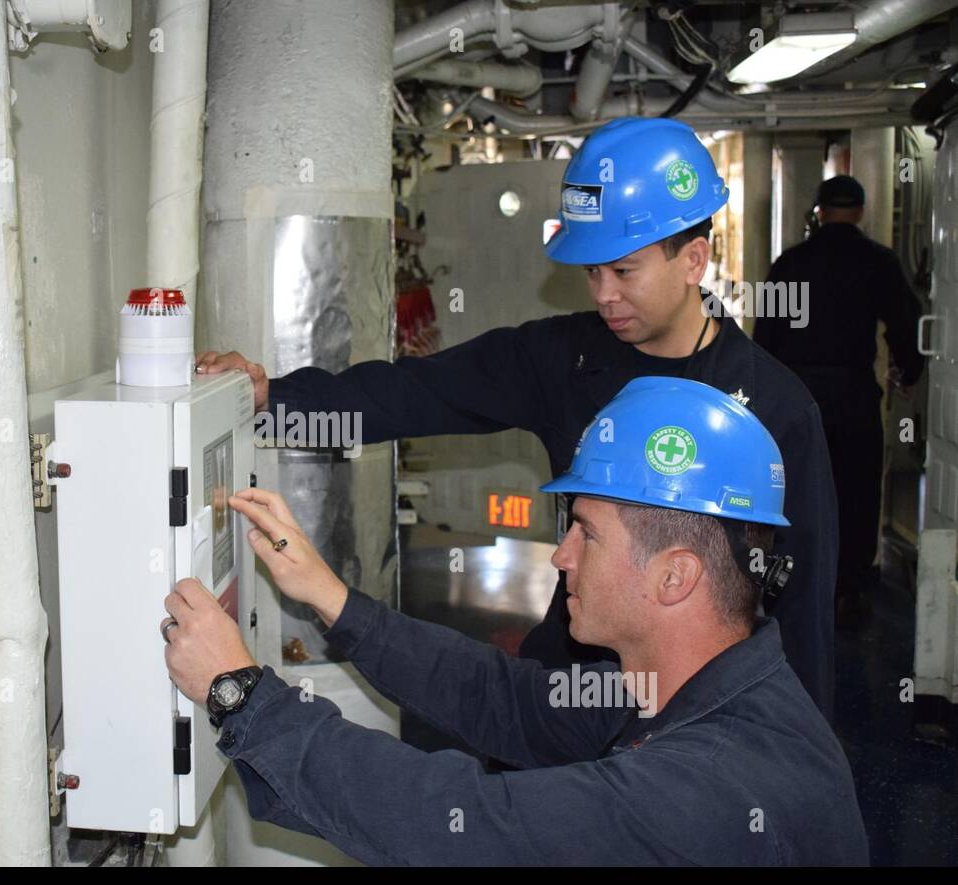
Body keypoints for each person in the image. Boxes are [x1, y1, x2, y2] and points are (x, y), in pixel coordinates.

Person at [196, 116, 839, 719]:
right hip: (574, 675)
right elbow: (413, 391)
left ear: (693, 261)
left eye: (623, 270)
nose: (604, 295)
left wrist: (798, 762)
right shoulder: (563, 358)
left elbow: (802, 602)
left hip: (698, 700)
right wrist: (272, 398)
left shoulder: (776, 408)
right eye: (592, 272)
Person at [159, 378, 869, 865]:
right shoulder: (692, 690)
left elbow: (461, 827)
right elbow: (503, 697)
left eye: (585, 533)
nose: (560, 555)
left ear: (674, 575)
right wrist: (331, 597)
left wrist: (240, 694)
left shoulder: (710, 791)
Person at [754, 174, 925, 625]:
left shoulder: (790, 263)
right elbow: (906, 324)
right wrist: (909, 372)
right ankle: (850, 588)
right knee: (858, 490)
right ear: (862, 212)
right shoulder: (879, 262)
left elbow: (764, 337)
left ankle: (787, 584)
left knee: (793, 492)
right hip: (853, 395)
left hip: (797, 398)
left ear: (820, 211)